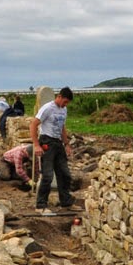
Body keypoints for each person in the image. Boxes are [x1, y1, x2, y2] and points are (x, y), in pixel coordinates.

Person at [30, 86, 77, 215]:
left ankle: (66, 202)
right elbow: (33, 124)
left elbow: (62, 127)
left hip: (58, 143)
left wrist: (66, 144)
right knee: (48, 176)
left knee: (64, 173)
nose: (65, 104)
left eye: (67, 103)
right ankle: (41, 206)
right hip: (47, 142)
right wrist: (36, 145)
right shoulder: (47, 108)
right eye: (65, 101)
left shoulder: (64, 110)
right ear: (59, 97)